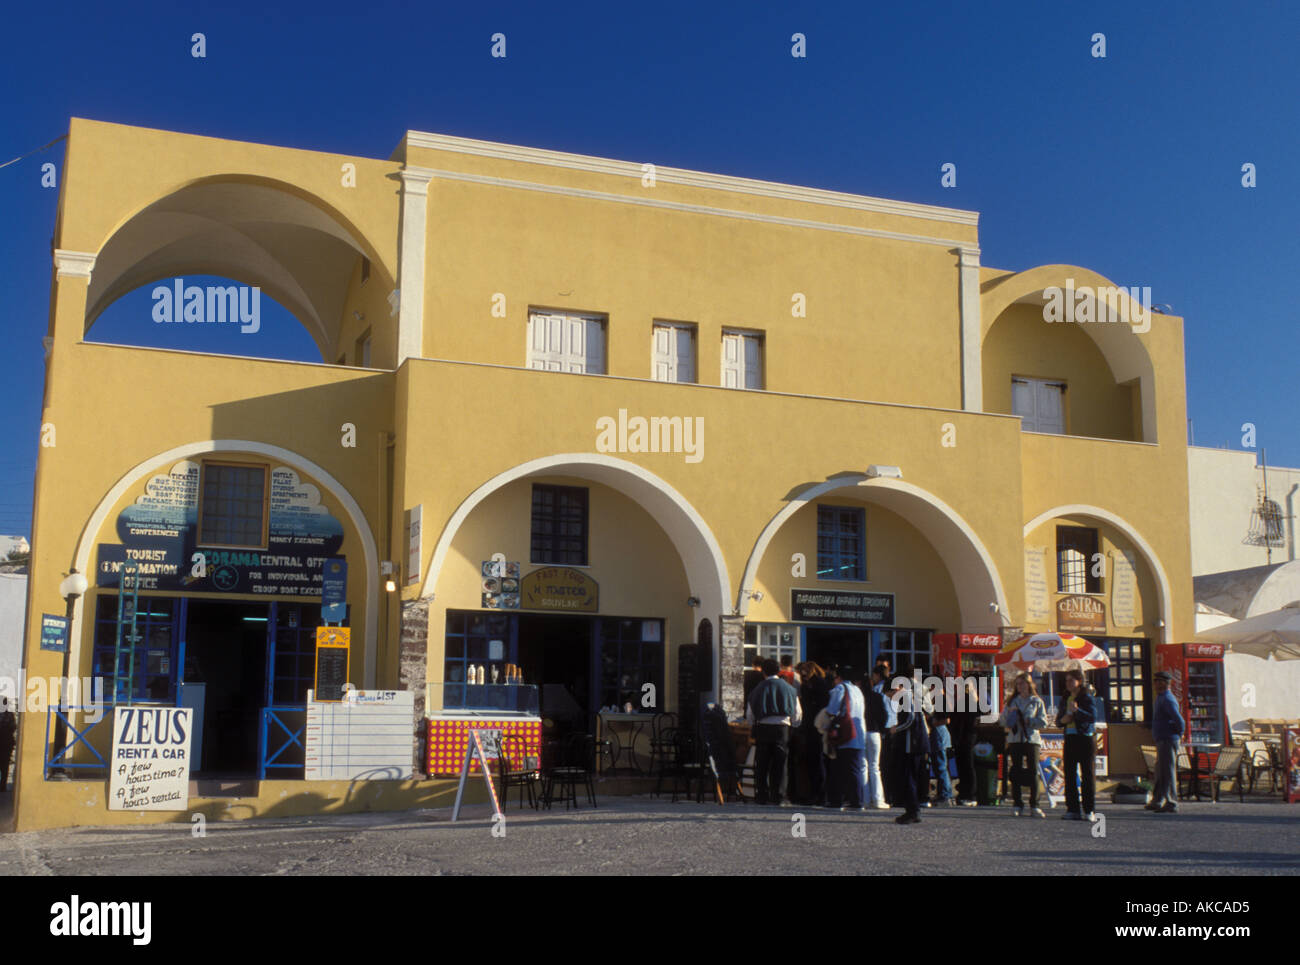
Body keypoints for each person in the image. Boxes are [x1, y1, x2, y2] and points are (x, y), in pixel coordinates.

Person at [745, 658, 802, 805]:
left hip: (763, 728)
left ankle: (761, 795)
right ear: (778, 670)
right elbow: (797, 714)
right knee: (781, 763)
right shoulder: (790, 689)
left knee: (762, 763)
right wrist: (793, 724)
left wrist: (753, 724)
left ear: (763, 672)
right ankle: (779, 795)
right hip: (782, 729)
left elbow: (750, 715)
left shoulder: (757, 689)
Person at [999, 672, 1048, 817]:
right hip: (1015, 739)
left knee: (1033, 771)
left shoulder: (1036, 701)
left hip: (1031, 738)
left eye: (1022, 683)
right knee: (1016, 771)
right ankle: (1018, 803)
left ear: (1029, 684)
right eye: (1018, 684)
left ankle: (1035, 804)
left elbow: (1043, 722)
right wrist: (1011, 718)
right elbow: (1002, 721)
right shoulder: (1012, 701)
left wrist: (1029, 721)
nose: (1020, 686)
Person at [891, 662, 931, 824]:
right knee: (913, 776)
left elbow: (910, 719)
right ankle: (914, 808)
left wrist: (896, 729)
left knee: (908, 777)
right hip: (919, 739)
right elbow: (928, 710)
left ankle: (912, 810)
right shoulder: (917, 691)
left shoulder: (907, 695)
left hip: (911, 742)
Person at [823, 665, 866, 811]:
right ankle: (855, 799)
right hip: (859, 733)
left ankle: (845, 800)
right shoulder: (858, 690)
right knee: (855, 768)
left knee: (840, 769)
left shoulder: (840, 689)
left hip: (845, 734)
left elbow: (832, 710)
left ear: (839, 677)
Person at [1058, 669, 1098, 821]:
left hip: (1085, 738)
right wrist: (1063, 720)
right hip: (1070, 737)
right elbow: (1059, 720)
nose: (1068, 684)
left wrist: (1077, 711)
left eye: (1071, 680)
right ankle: (1072, 809)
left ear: (1079, 681)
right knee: (1069, 773)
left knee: (1087, 775)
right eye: (1066, 680)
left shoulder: (1086, 697)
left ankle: (1089, 809)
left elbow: (1093, 717)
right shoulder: (1065, 697)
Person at [1148, 670, 1185, 814]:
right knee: (1160, 770)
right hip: (1161, 738)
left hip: (1168, 739)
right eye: (1155, 681)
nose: (1156, 684)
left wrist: (1177, 734)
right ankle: (1157, 800)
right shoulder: (1160, 698)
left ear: (1166, 683)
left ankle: (1171, 801)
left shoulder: (1168, 699)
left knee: (1168, 771)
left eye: (1159, 681)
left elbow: (1179, 720)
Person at [797, 662, 830, 805]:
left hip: (812, 727)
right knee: (819, 761)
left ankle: (816, 794)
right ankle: (820, 794)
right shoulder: (823, 684)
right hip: (820, 727)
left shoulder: (809, 686)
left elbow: (808, 708)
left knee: (814, 762)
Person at [864, 664, 894, 809]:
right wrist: (883, 730)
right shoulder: (878, 694)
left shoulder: (867, 694)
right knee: (875, 767)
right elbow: (884, 714)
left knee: (864, 766)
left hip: (864, 731)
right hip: (879, 731)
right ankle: (878, 798)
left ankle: (864, 797)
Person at [950, 678, 980, 806]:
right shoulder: (974, 701)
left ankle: (968, 794)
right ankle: (968, 794)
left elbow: (959, 721)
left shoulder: (965, 701)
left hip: (964, 737)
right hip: (968, 737)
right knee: (967, 766)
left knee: (965, 766)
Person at [0, 697, 16, 792]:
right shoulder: (10, 715)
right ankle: (3, 785)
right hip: (7, 743)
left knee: (4, 766)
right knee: (5, 766)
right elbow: (13, 727)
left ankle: (2, 785)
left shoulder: (8, 715)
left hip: (5, 743)